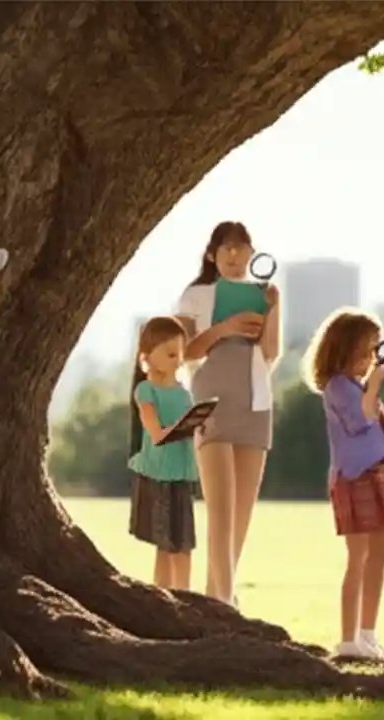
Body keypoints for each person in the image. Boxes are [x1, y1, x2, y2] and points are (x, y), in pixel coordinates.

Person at [175, 221, 280, 608]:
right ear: (212, 255)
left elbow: (270, 353)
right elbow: (184, 351)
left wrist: (271, 308)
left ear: (253, 253)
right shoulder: (197, 295)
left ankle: (218, 597)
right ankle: (224, 601)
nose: (235, 256)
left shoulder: (263, 293)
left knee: (241, 515)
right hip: (210, 401)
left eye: (241, 248)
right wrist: (225, 328)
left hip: (255, 401)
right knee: (220, 509)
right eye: (227, 249)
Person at [305, 309, 384, 660]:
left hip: (376, 474)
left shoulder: (359, 387)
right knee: (358, 557)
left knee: (379, 555)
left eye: (374, 351)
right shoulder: (338, 387)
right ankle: (348, 638)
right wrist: (375, 385)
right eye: (365, 351)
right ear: (343, 349)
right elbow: (360, 421)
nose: (370, 359)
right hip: (354, 477)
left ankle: (368, 633)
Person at [127, 316, 199, 591]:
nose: (176, 361)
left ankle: (184, 595)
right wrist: (180, 428)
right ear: (148, 355)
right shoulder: (145, 390)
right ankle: (164, 593)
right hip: (159, 473)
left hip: (180, 471)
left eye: (179, 355)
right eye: (170, 354)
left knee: (183, 543)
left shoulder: (183, 392)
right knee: (165, 543)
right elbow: (155, 433)